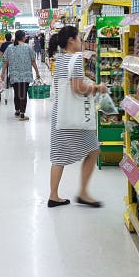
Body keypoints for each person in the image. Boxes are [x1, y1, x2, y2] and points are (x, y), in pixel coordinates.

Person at [46, 25, 107, 208]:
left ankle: (54, 195)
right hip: (73, 117)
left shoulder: (61, 58)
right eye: (80, 38)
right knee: (93, 150)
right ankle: (82, 193)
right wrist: (97, 88)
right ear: (71, 40)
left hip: (61, 114)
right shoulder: (75, 60)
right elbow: (78, 88)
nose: (82, 42)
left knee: (58, 155)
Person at [1, 29, 40, 121]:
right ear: (23, 37)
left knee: (17, 93)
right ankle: (22, 114)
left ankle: (17, 111)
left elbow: (5, 61)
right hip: (25, 74)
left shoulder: (10, 48)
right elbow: (33, 61)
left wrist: (2, 73)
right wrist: (37, 72)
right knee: (23, 94)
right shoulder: (28, 47)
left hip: (14, 74)